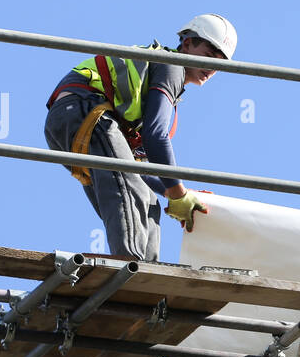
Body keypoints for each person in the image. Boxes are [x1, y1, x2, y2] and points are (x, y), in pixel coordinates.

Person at [44, 14, 237, 261]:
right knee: (129, 189)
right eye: (209, 57)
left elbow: (138, 170)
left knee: (147, 201)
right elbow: (155, 136)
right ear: (187, 44)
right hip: (83, 110)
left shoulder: (161, 86)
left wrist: (174, 192)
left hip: (72, 124)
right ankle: (130, 266)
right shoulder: (171, 65)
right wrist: (178, 192)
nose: (212, 69)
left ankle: (148, 273)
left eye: (219, 65)